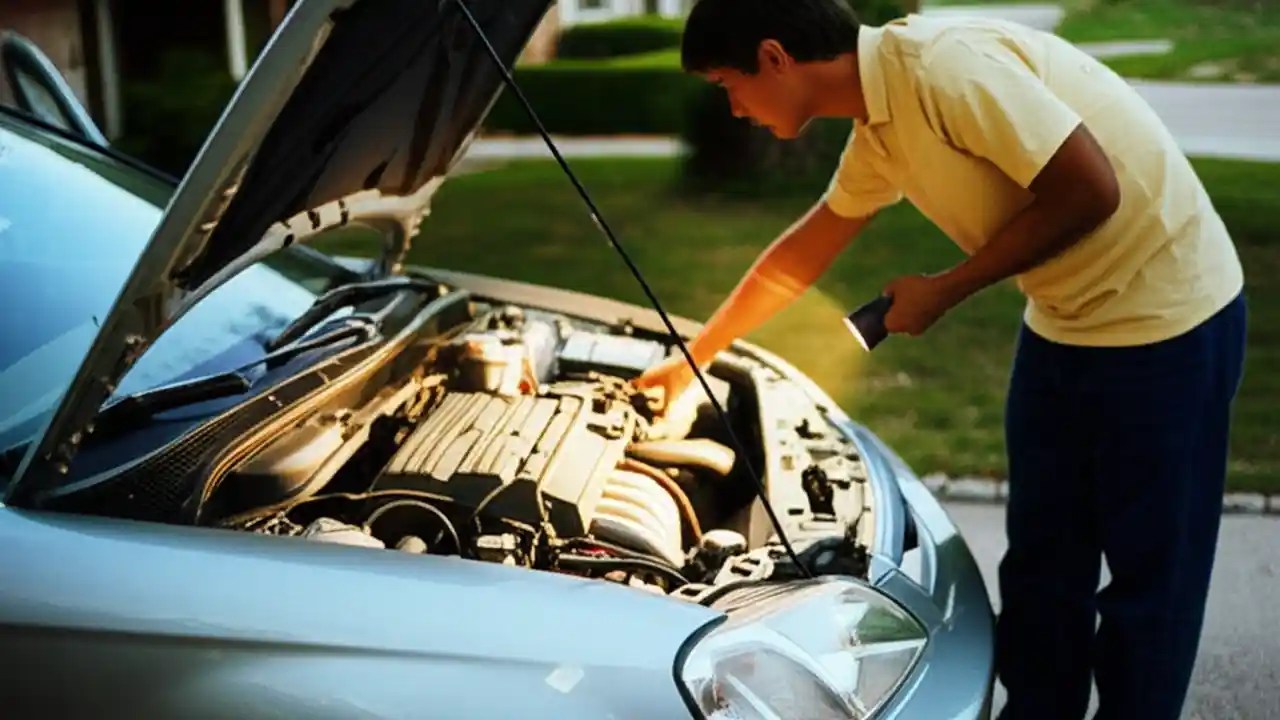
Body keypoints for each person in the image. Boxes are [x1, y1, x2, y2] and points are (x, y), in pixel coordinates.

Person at [633, 1, 1248, 718]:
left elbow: (1091, 188)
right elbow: (798, 255)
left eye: (725, 84)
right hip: (1063, 326)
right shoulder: (881, 127)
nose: (732, 108)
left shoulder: (941, 69)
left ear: (774, 57)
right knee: (1043, 577)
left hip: (1170, 323)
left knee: (1151, 590)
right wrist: (692, 360)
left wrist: (945, 289)